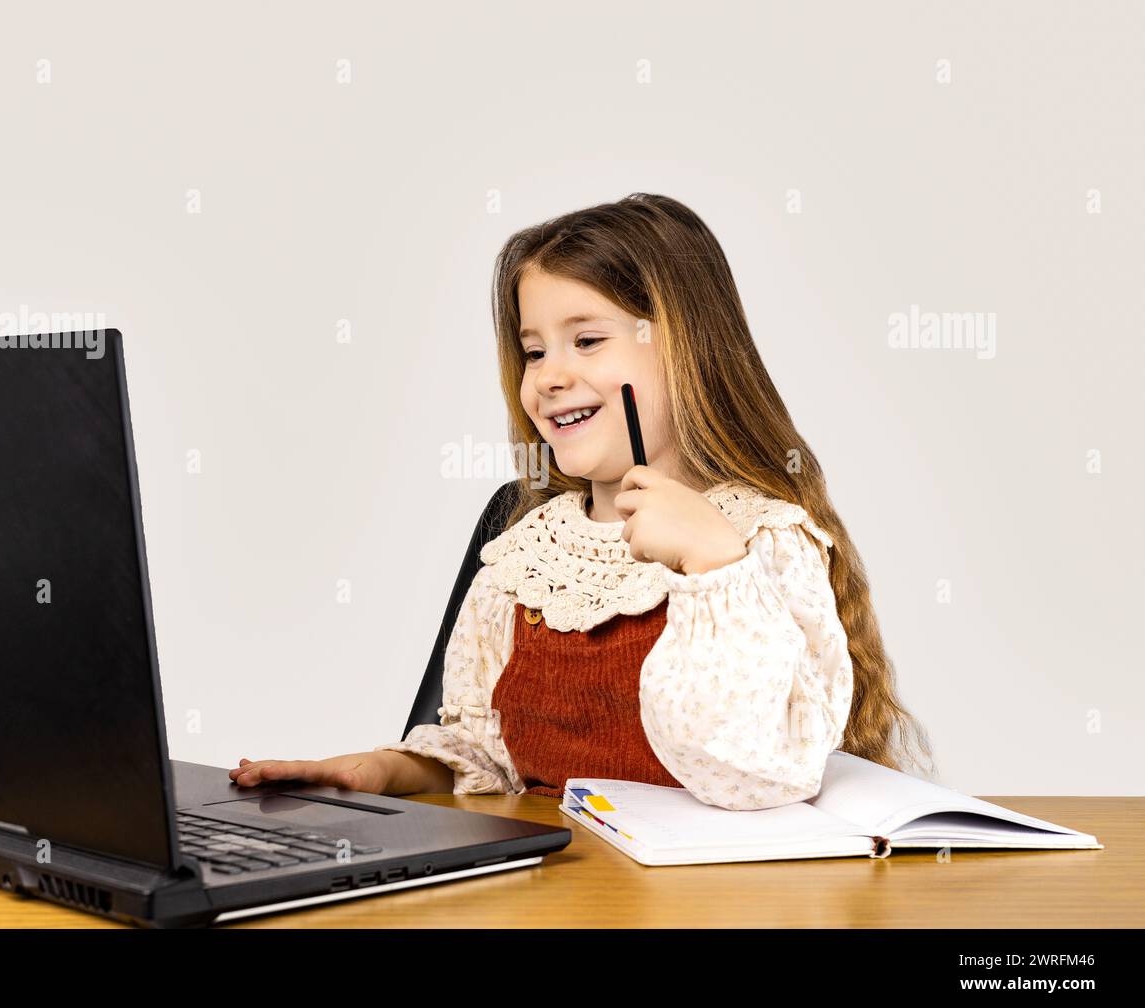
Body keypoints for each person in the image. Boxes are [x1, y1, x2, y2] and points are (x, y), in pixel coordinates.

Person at [230, 192, 934, 809]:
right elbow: (487, 757)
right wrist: (382, 770)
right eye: (534, 351)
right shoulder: (524, 555)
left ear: (688, 347)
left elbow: (756, 777)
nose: (549, 377)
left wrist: (716, 569)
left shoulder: (762, 541)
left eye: (587, 340)